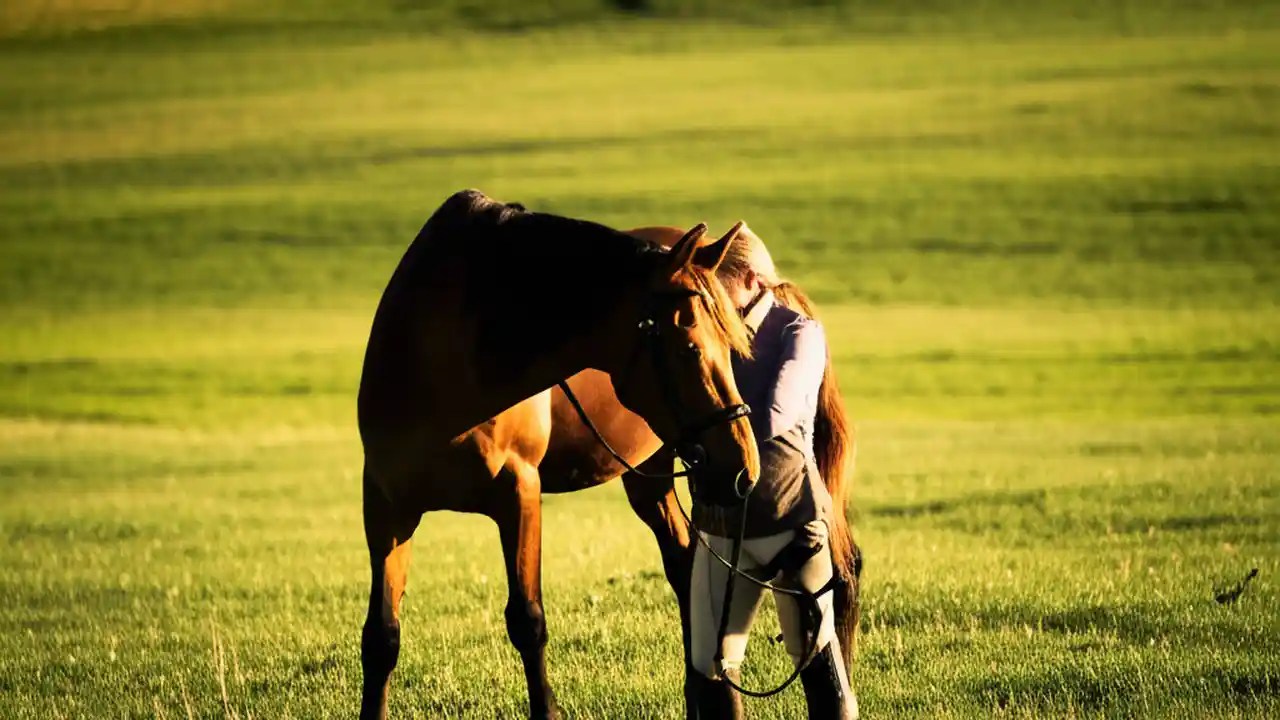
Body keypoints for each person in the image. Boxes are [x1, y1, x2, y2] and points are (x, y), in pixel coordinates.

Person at [688, 224, 857, 719]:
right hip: (720, 529)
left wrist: (707, 418)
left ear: (750, 279)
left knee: (815, 657)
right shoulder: (710, 337)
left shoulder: (800, 333)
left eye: (716, 286)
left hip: (791, 526)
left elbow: (773, 417)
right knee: (709, 665)